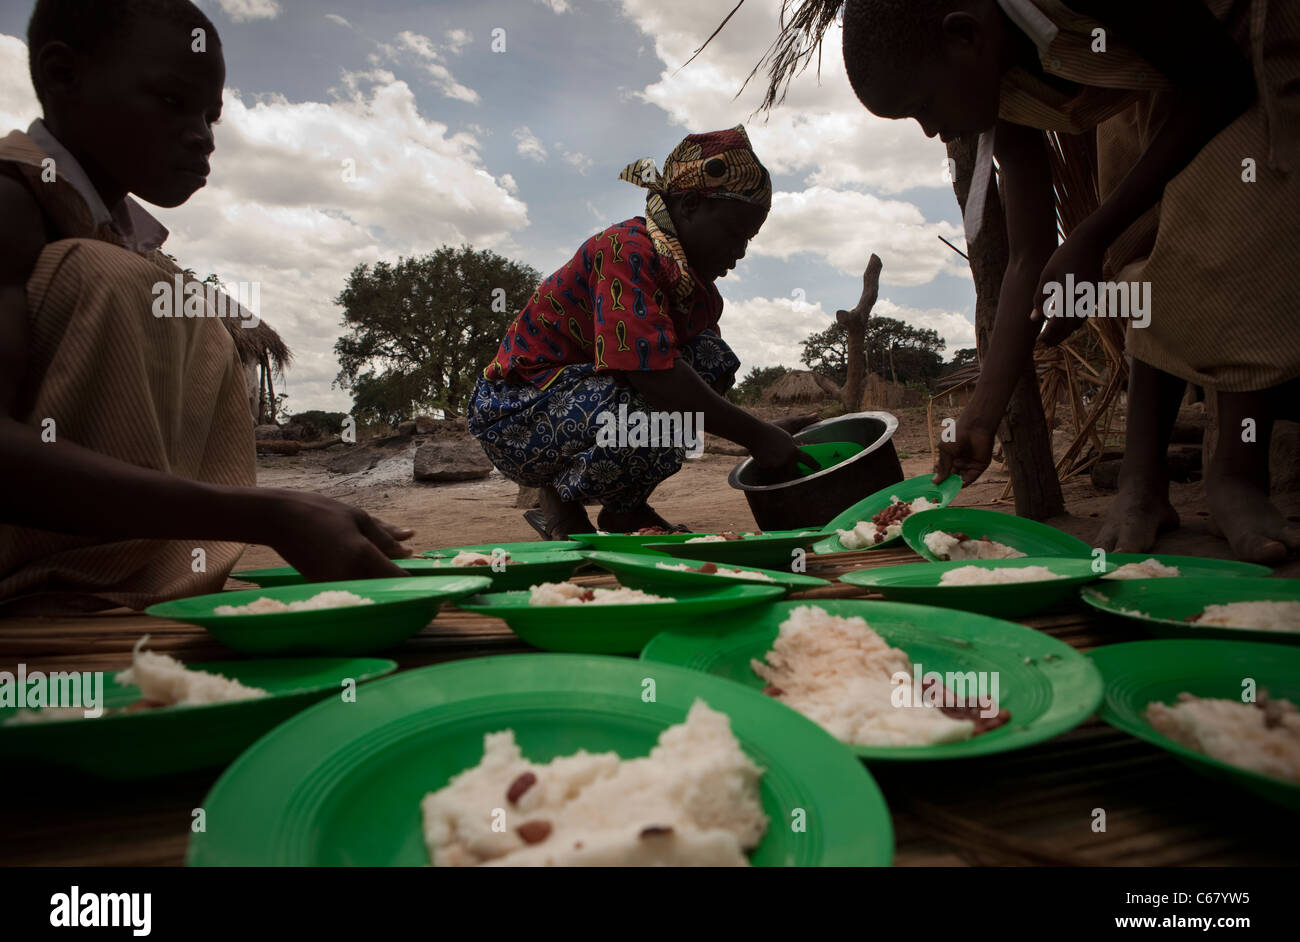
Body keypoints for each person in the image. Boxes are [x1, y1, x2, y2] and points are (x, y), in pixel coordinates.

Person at [738, 0, 1299, 563]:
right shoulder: (1000, 82)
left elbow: (1220, 80)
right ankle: (1141, 483)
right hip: (1151, 81)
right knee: (1139, 254)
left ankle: (1237, 475)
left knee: (1233, 224)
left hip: (1231, 55)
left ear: (964, 35)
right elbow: (1028, 254)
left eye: (922, 108)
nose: (932, 130)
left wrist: (1089, 236)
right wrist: (981, 413)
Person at [0, 0, 414, 613]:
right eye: (172, 102)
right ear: (64, 75)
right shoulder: (11, 205)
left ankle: (149, 585)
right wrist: (267, 513)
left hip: (136, 601)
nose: (202, 136)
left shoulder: (133, 253)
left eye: (210, 115)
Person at [467, 126, 816, 539]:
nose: (739, 253)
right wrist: (758, 436)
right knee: (659, 391)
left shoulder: (699, 294)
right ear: (688, 205)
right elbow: (654, 378)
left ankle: (626, 511)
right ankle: (559, 504)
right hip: (515, 415)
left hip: (579, 399)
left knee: (710, 359)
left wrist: (759, 428)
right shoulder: (625, 249)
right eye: (733, 234)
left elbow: (691, 395)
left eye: (749, 240)